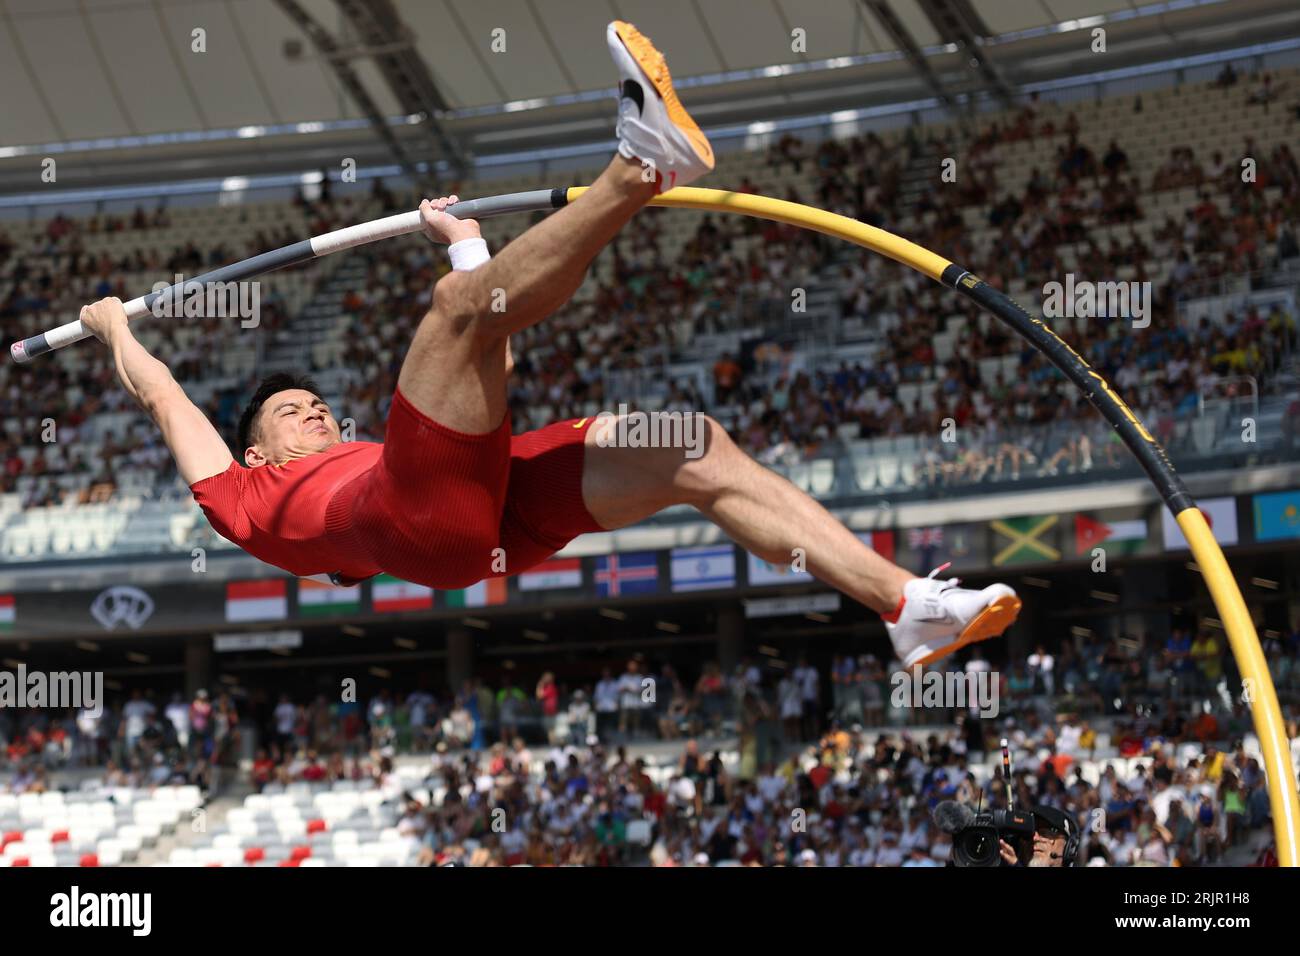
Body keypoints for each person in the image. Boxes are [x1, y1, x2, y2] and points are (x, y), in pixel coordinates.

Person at [77, 21, 1019, 671]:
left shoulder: (366, 449)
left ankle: (908, 609)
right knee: (451, 312)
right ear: (256, 452)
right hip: (418, 523)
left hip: (484, 506)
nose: (313, 408)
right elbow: (162, 394)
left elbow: (502, 351)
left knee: (692, 449)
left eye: (314, 401)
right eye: (292, 411)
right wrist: (113, 325)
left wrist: (469, 242)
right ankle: (638, 164)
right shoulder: (239, 500)